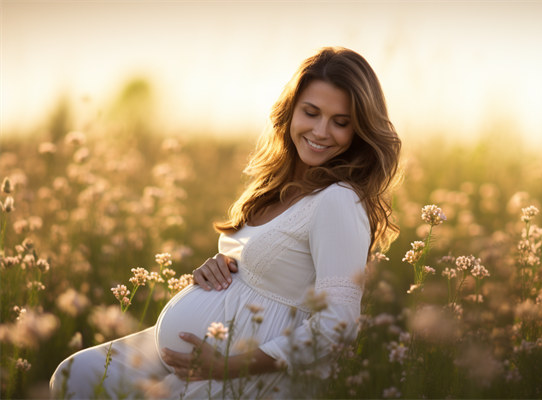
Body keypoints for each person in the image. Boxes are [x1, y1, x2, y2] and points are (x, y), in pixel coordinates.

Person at [50, 46, 401, 399]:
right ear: (291, 111)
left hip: (247, 373)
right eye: (311, 113)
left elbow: (338, 325)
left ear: (358, 131)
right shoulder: (278, 188)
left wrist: (229, 367)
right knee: (75, 376)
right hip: (199, 357)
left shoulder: (338, 199)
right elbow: (266, 269)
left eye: (340, 123)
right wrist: (219, 270)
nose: (322, 131)